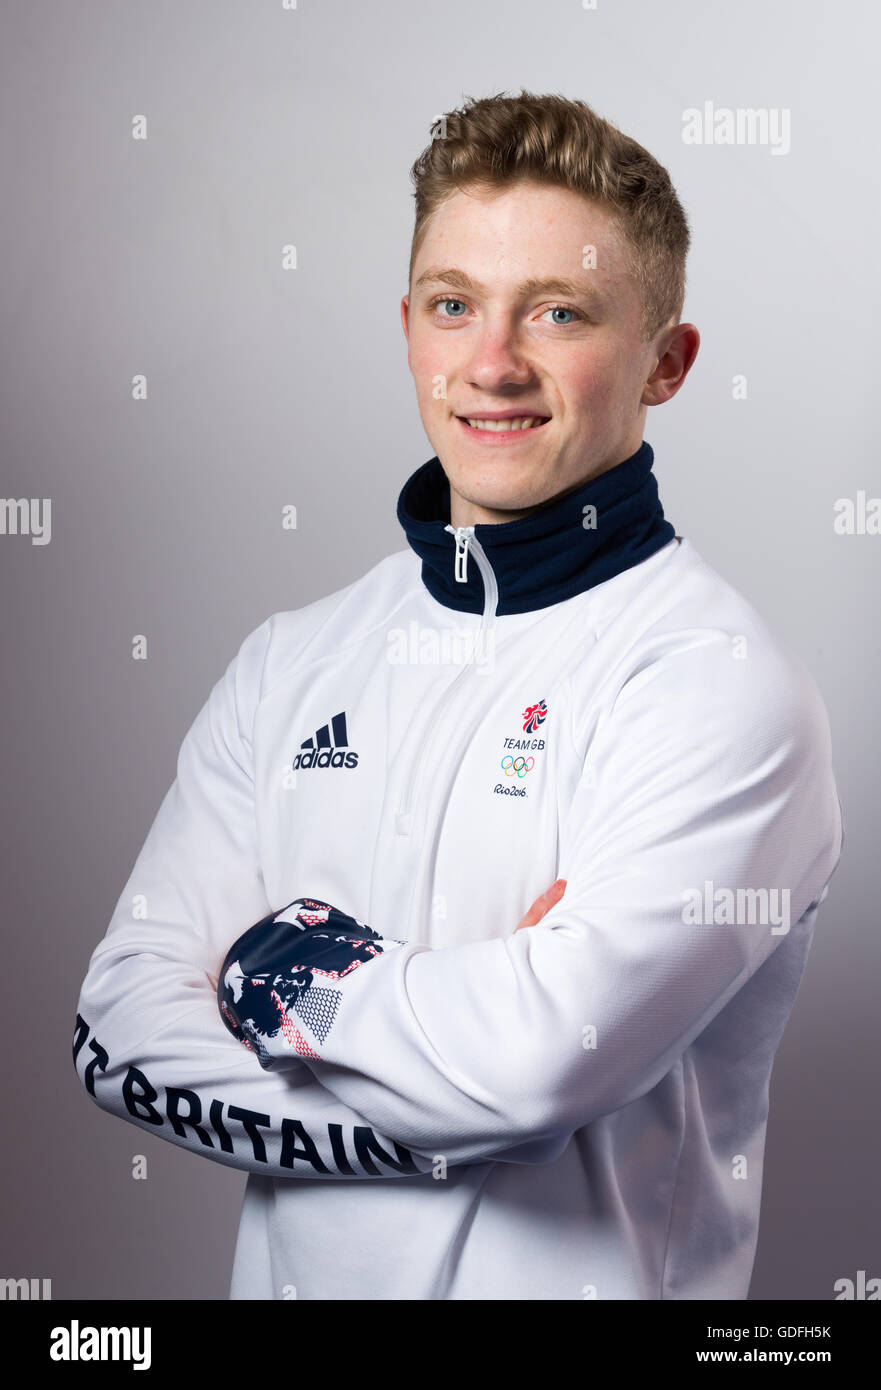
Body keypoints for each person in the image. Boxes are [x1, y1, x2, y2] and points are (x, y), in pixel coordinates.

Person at [73, 90, 843, 1300]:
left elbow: (539, 1063)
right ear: (410, 329)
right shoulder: (292, 658)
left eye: (558, 311)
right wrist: (454, 1090)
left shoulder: (718, 689)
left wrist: (284, 972)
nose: (491, 363)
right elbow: (118, 1030)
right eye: (452, 306)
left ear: (666, 361)